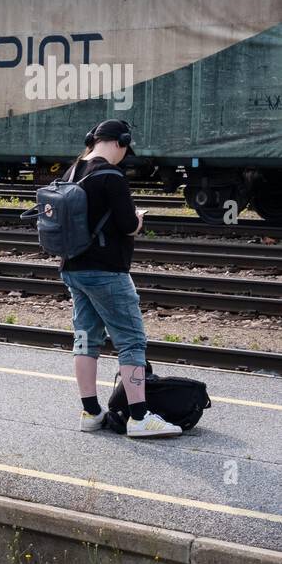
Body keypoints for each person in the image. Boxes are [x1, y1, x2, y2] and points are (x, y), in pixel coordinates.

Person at [61, 119, 181, 438]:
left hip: (73, 268)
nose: (124, 156)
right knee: (131, 340)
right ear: (119, 142)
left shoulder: (71, 171)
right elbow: (127, 225)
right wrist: (138, 219)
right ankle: (139, 418)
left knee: (85, 338)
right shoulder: (111, 176)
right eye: (125, 149)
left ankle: (90, 412)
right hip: (106, 271)